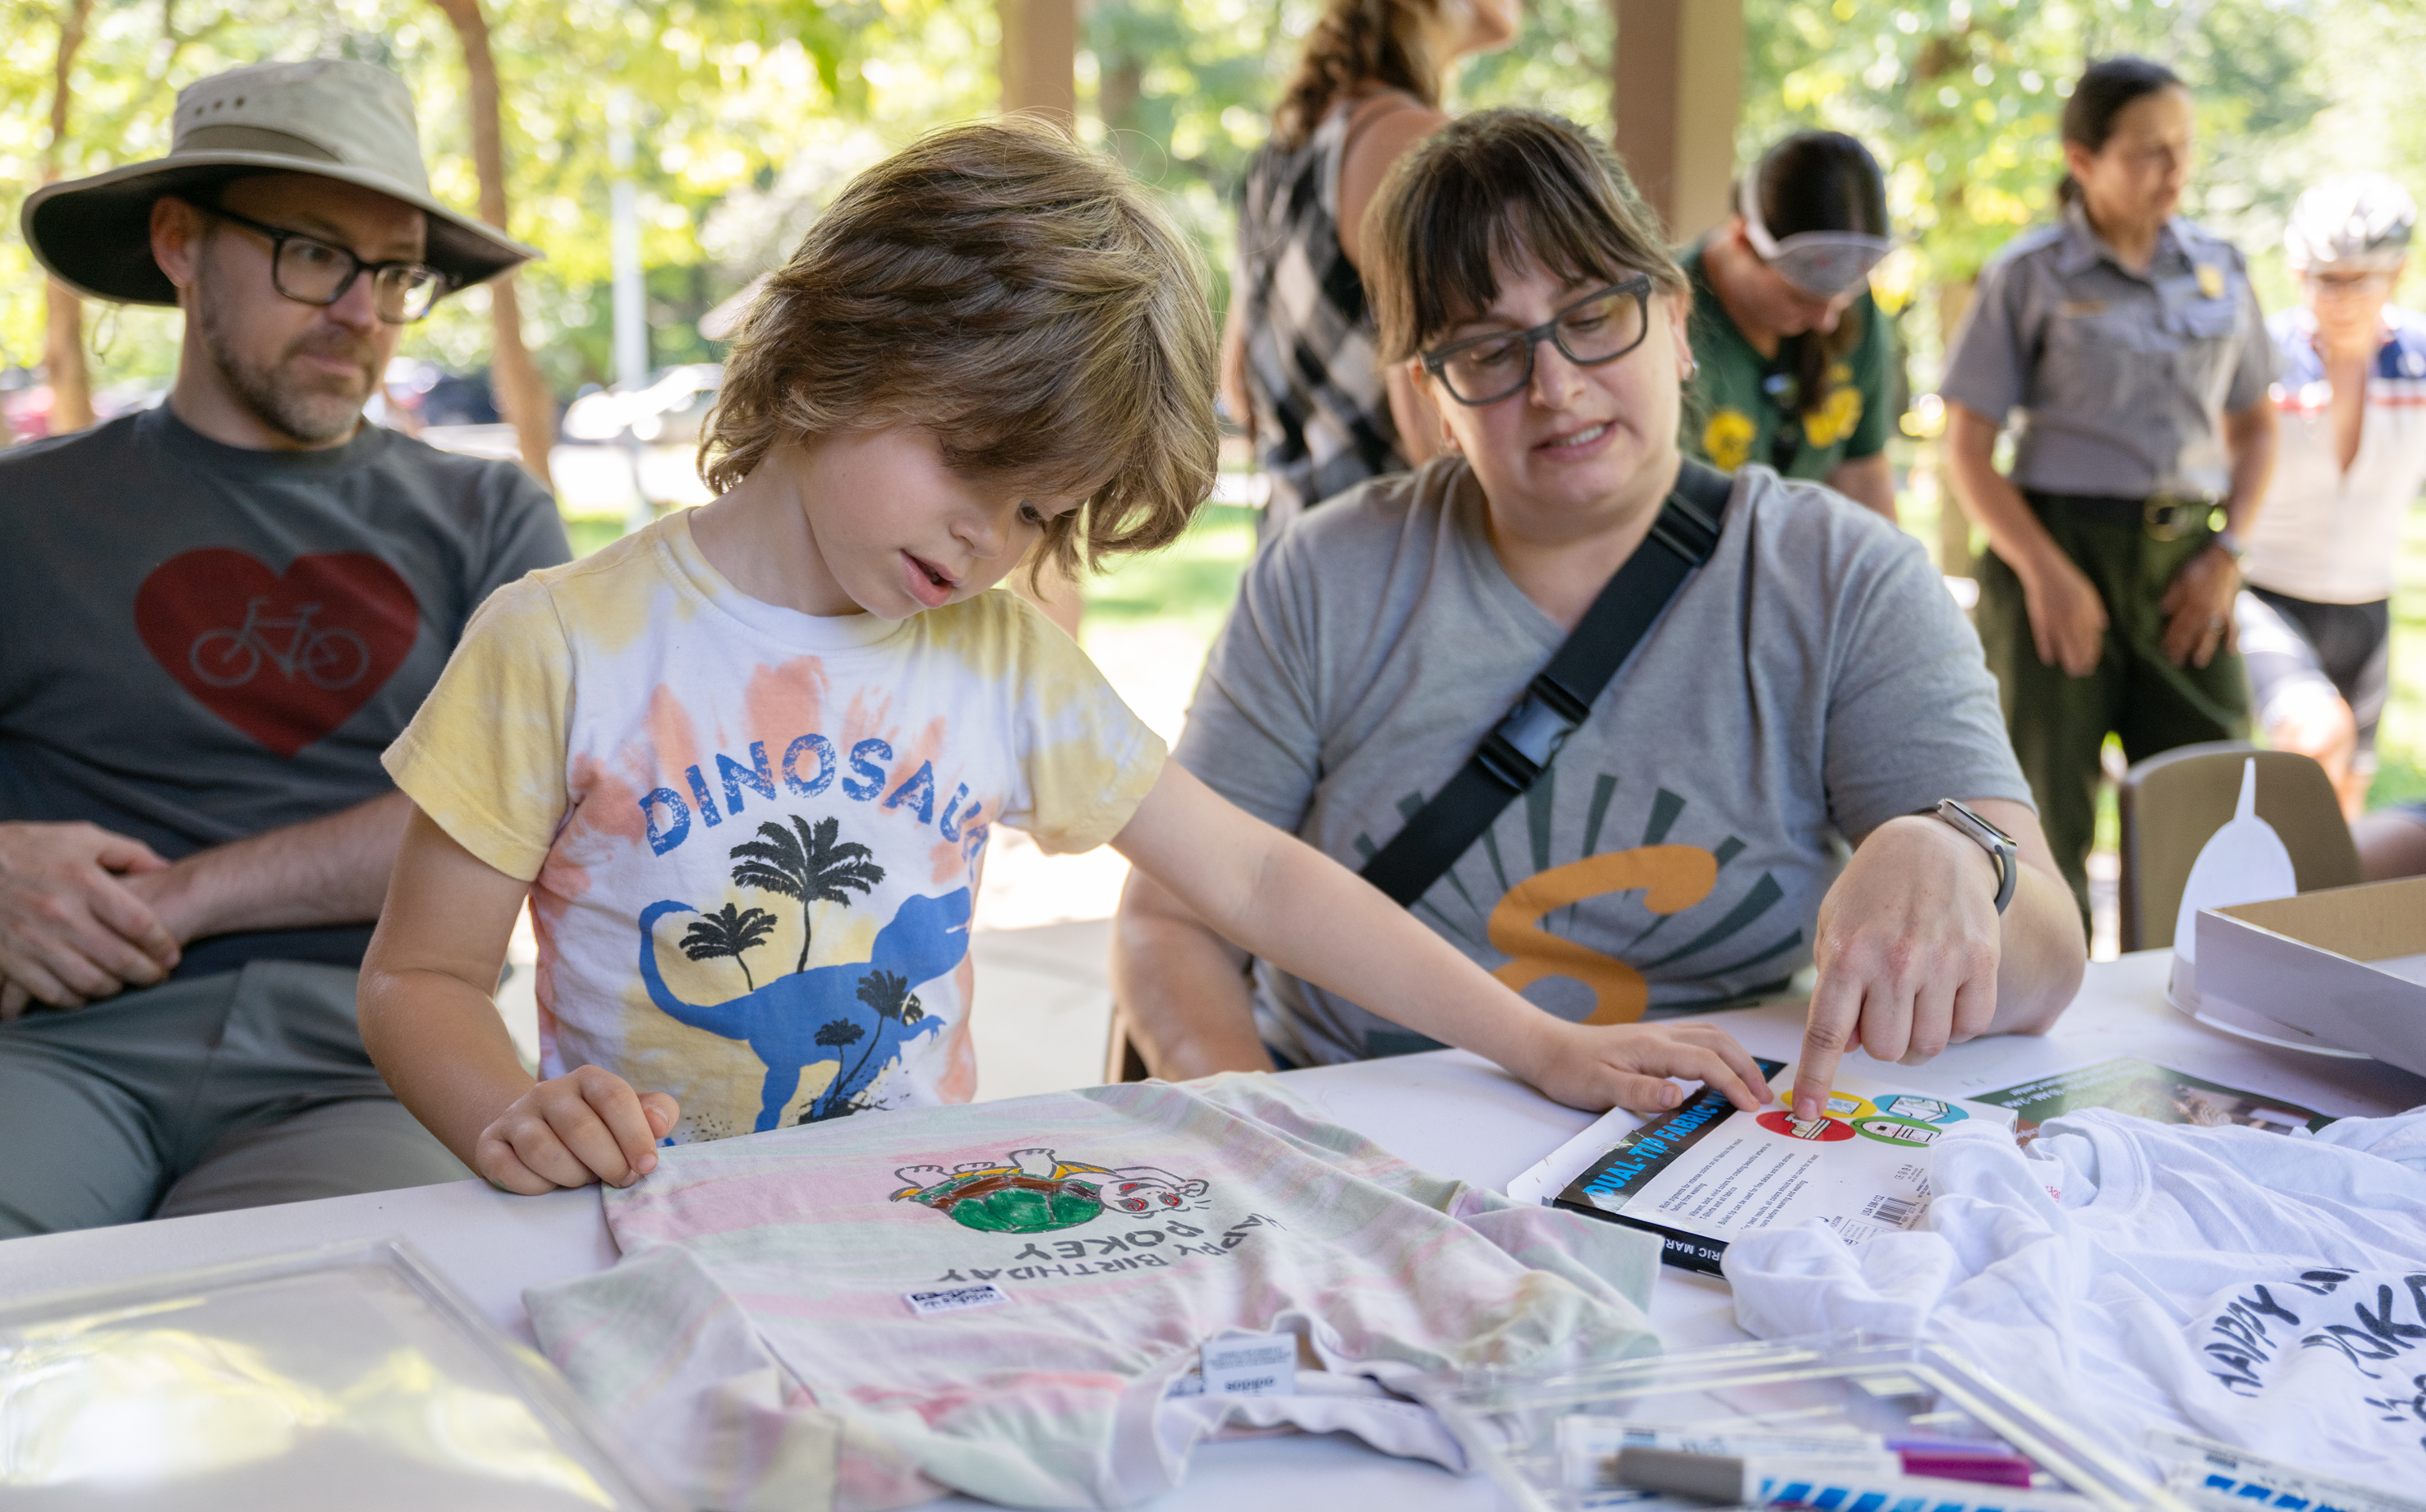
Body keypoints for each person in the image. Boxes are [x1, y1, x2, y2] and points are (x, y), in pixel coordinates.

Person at [358, 119, 1777, 1199]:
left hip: (912, 1224)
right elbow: (420, 980)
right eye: (976, 463)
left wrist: (1539, 1046)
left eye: (1042, 510)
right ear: (830, 346)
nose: (993, 538)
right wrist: (509, 1111)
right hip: (635, 1223)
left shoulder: (997, 661)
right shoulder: (560, 645)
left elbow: (1255, 875)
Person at [1111, 110, 2085, 1124]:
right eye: (1488, 350)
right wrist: (1273, 1144)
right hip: (1365, 1140)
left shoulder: (1841, 577)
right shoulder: (1323, 577)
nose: (1556, 386)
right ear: (1429, 395)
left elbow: (2051, 962)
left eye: (1592, 316)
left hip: (1713, 1149)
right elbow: (1170, 923)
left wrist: (1959, 862)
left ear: (1674, 319)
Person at [0, 59, 570, 1241]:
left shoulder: (491, 522)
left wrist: (188, 896)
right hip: (47, 1049)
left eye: (395, 273)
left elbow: (512, 808)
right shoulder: (1, 519)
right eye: (313, 253)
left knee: (337, 1357)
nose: (362, 311)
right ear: (180, 244)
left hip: (370, 1049)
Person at [1941, 56, 2279, 917]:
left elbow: (2256, 427)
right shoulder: (2029, 275)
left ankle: (2202, 1008)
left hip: (2188, 563)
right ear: (2082, 158)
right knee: (2040, 809)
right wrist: (2049, 576)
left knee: (2210, 799)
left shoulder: (2221, 268)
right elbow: (1970, 451)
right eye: (2146, 152)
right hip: (2056, 551)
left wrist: (2228, 552)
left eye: (2182, 149)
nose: (2172, 171)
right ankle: (2051, 1020)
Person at [1225, 0, 1520, 536]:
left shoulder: (1279, 157)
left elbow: (1237, 385)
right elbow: (1436, 428)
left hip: (1294, 561)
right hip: (1395, 568)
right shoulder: (1411, 142)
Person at [2232, 176, 2426, 819]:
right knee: (2317, 742)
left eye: (2359, 279)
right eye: (2323, 279)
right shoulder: (2262, 356)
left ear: (2397, 274)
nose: (2339, 298)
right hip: (2268, 596)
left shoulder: (2423, 361)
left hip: (2367, 607)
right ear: (2297, 272)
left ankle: (2301, 918)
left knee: (2343, 808)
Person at [1684, 131, 1900, 520]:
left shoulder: (1860, 312)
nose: (1826, 320)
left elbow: (1864, 479)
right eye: (1801, 297)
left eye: (1843, 297)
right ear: (1741, 240)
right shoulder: (1670, 318)